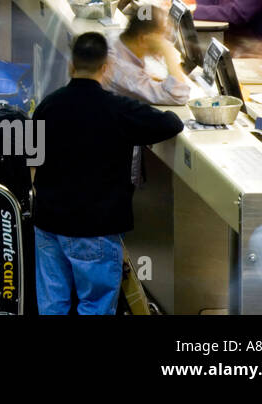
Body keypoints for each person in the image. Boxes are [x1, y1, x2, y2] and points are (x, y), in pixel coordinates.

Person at [32, 32, 184, 315]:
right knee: (95, 306)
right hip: (95, 229)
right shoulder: (118, 109)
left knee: (52, 306)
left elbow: (32, 159)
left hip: (49, 224)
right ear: (107, 68)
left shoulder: (47, 106)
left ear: (71, 65)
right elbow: (171, 124)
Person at [106, 5, 191, 105]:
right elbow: (179, 96)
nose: (167, 40)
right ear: (143, 39)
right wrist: (168, 52)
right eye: (163, 35)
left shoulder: (118, 40)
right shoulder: (125, 73)